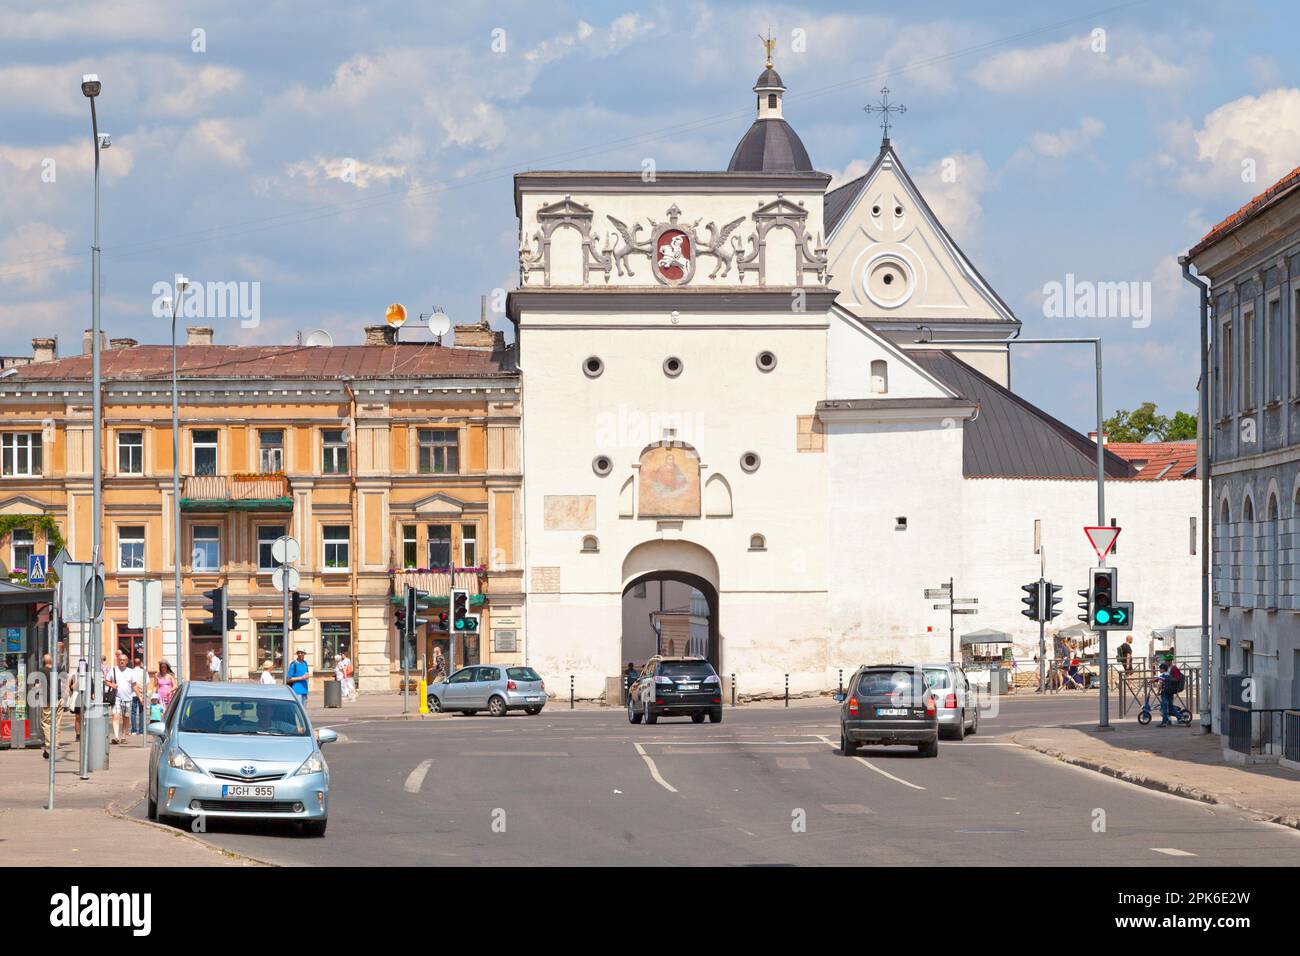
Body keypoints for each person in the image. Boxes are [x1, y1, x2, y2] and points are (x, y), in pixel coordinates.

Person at [39, 653, 66, 760]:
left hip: (48, 699)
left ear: (44, 661)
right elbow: (64, 682)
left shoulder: (41, 671)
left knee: (46, 722)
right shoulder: (58, 669)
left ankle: (50, 743)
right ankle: (56, 743)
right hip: (59, 698)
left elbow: (37, 685)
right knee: (57, 722)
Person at [108, 651, 134, 744]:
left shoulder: (131, 671)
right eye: (120, 660)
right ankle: (116, 737)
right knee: (115, 716)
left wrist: (140, 696)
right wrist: (112, 685)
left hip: (128, 698)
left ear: (127, 662)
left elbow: (134, 685)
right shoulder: (113, 670)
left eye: (123, 660)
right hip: (116, 697)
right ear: (118, 661)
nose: (122, 661)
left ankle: (123, 736)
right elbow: (106, 681)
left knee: (126, 717)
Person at [129, 656, 146, 735]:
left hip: (133, 693)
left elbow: (130, 683)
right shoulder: (144, 672)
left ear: (133, 664)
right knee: (142, 712)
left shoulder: (131, 672)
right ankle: (141, 731)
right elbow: (147, 683)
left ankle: (134, 730)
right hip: (142, 694)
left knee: (133, 712)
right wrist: (143, 691)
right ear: (140, 663)